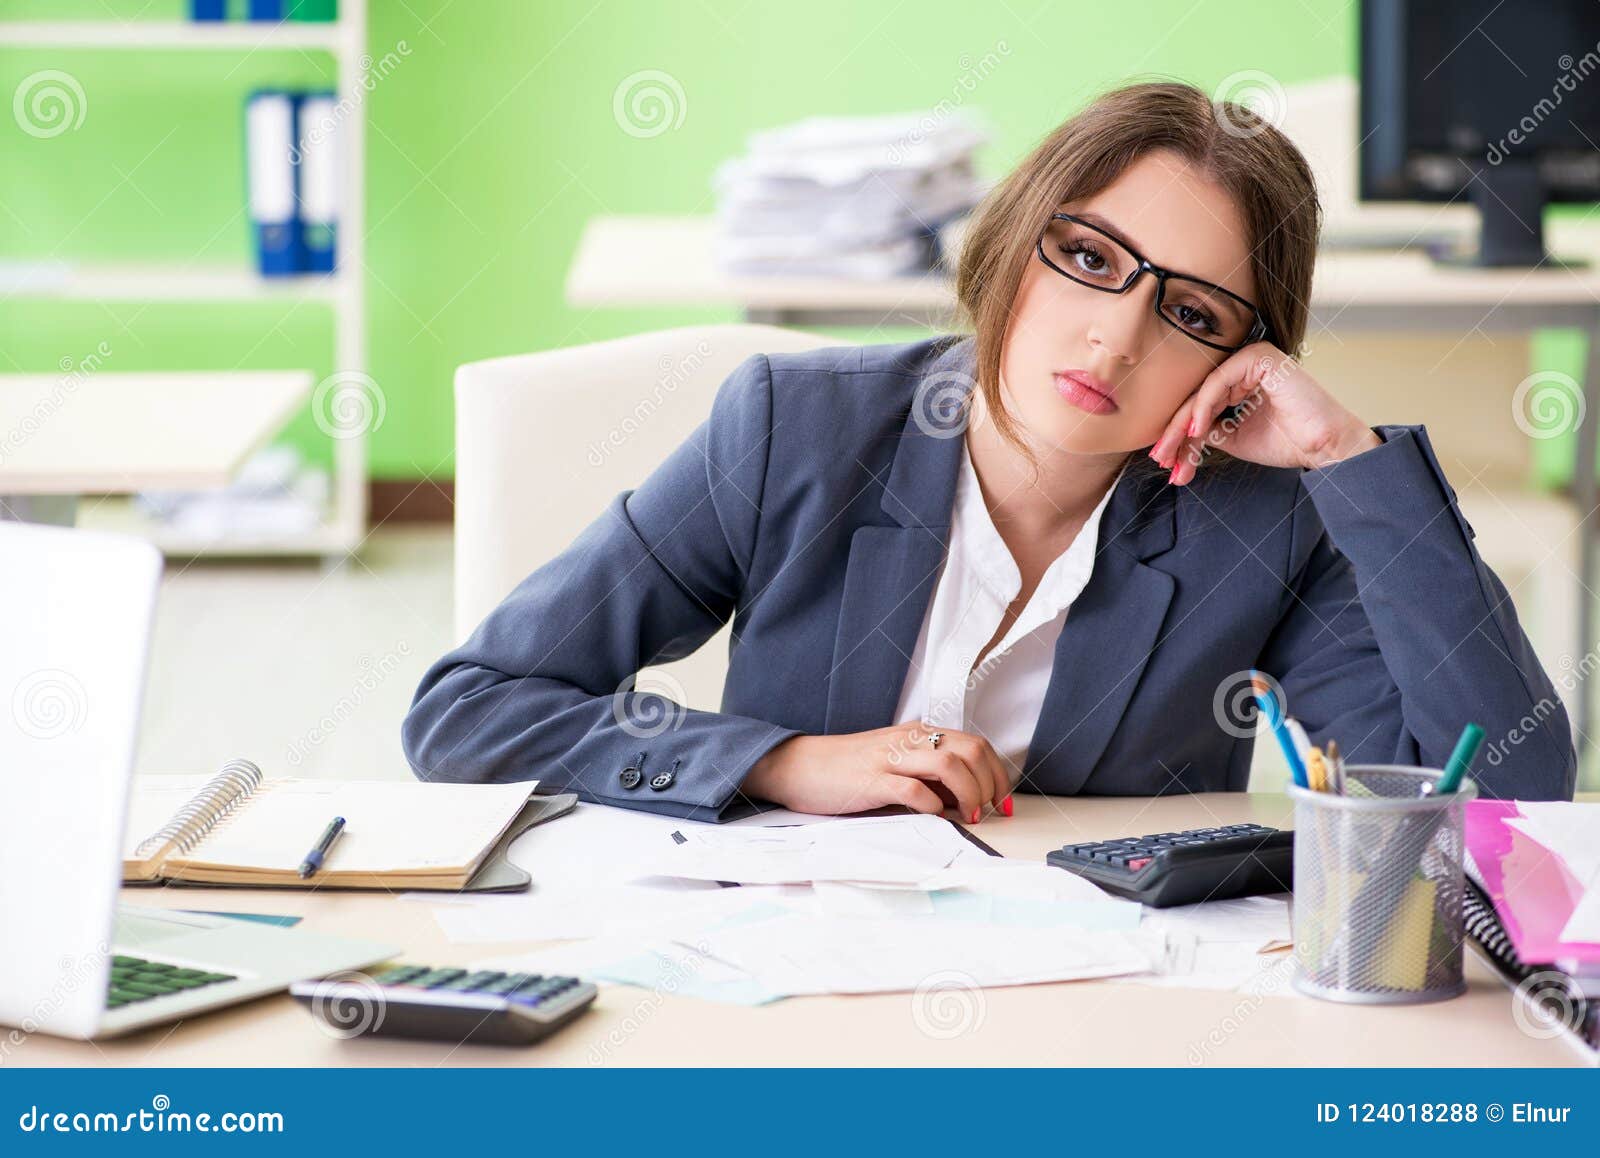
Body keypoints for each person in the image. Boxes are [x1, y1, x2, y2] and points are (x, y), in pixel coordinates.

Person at [403, 80, 1576, 822]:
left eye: (1191, 314)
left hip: (1097, 1025)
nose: (1114, 336)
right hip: (785, 988)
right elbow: (469, 711)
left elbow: (1497, 801)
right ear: (1019, 241)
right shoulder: (792, 430)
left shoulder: (1265, 515)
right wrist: (777, 763)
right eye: (1093, 258)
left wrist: (1346, 459)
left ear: (1237, 359)